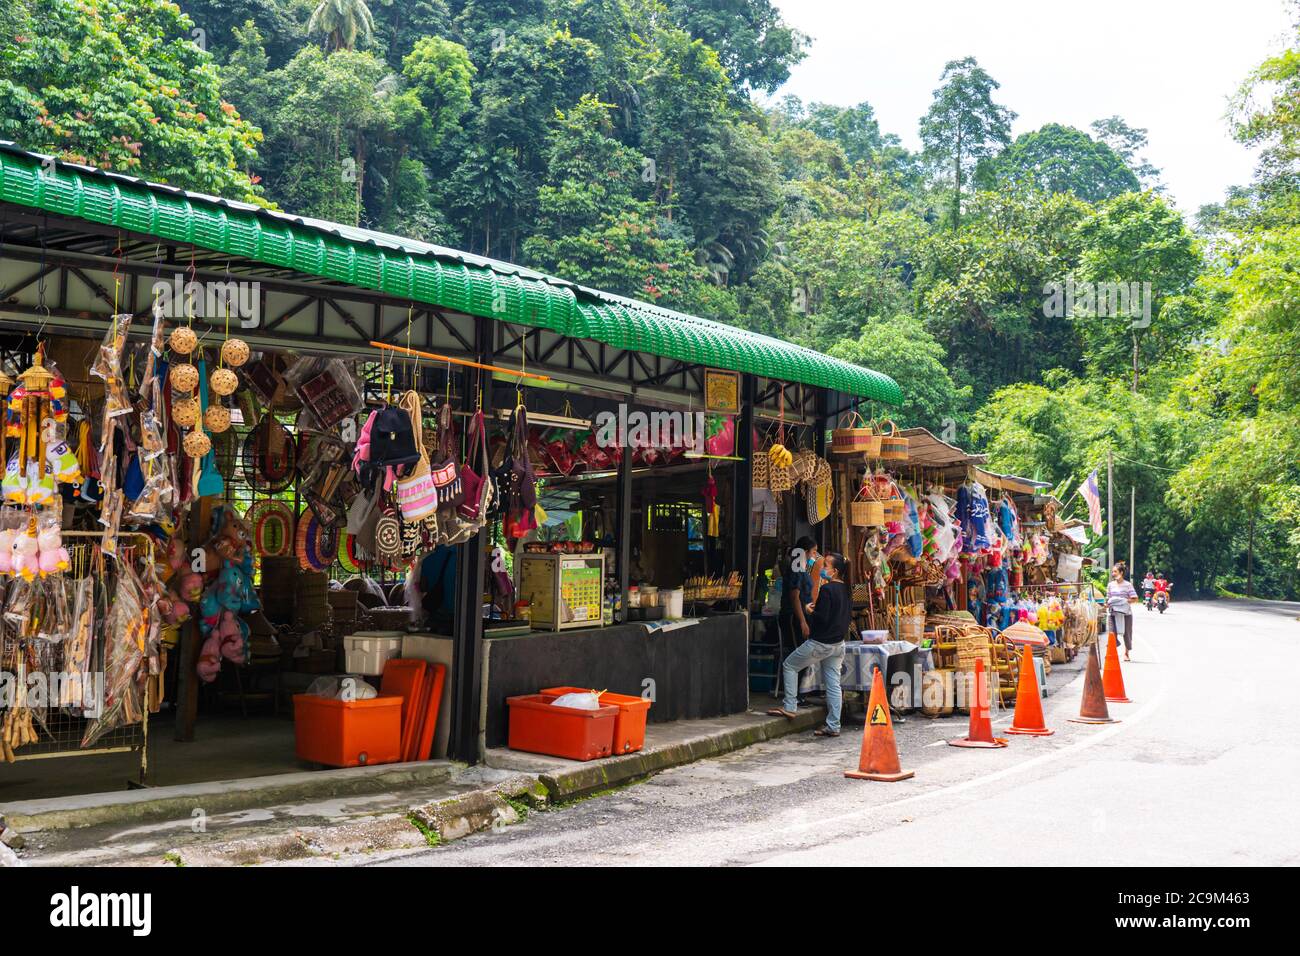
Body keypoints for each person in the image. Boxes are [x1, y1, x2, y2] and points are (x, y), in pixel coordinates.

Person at [767, 552, 851, 737]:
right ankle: (834, 725)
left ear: (835, 571)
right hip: (838, 644)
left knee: (789, 665)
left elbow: (821, 618)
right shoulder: (846, 589)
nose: (822, 568)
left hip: (821, 642)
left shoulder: (828, 590)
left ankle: (790, 706)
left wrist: (808, 610)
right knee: (833, 684)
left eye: (826, 566)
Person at [1106, 563, 1139, 662]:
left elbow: (1135, 598)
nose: (1113, 573)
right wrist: (1107, 604)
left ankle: (1126, 653)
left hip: (1126, 613)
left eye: (1115, 571)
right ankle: (1112, 653)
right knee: (1112, 633)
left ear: (1121, 572)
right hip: (1113, 613)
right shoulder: (1110, 585)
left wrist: (1123, 601)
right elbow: (1108, 598)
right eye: (1112, 571)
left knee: (1127, 634)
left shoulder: (1128, 585)